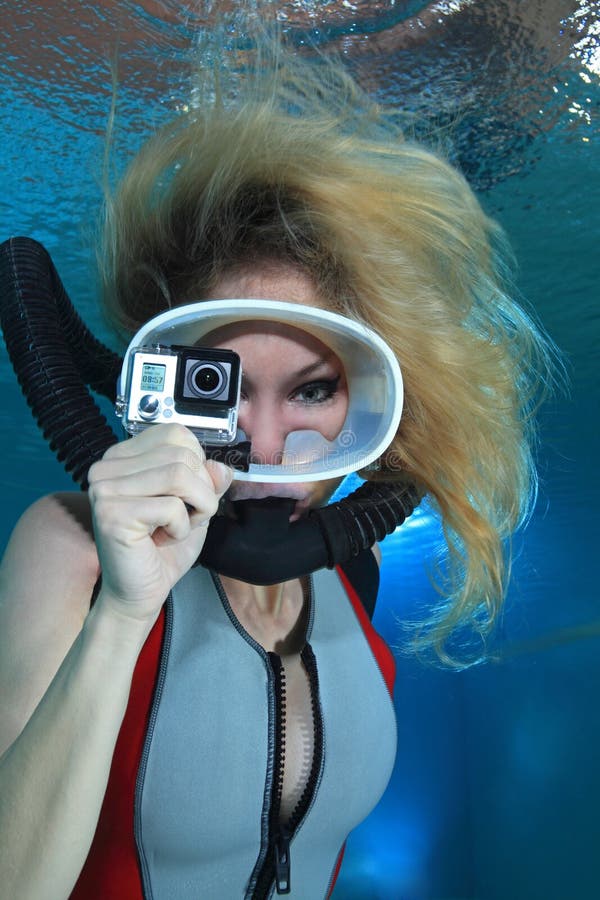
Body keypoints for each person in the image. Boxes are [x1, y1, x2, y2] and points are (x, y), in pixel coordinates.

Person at [0, 31, 554, 899]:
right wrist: (124, 612)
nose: (263, 443)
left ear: (370, 402)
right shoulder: (69, 548)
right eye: (224, 389)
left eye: (312, 390)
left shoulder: (354, 567)